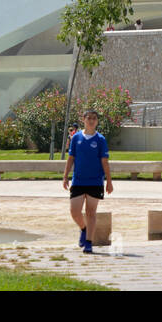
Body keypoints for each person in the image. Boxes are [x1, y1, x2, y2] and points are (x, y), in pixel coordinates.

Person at [62, 109, 112, 254]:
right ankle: (84, 229)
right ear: (83, 119)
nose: (91, 120)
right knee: (74, 211)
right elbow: (71, 158)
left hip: (95, 181)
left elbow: (105, 162)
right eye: (88, 118)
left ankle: (89, 242)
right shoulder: (76, 138)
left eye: (94, 118)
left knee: (91, 212)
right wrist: (65, 176)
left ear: (97, 121)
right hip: (78, 180)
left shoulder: (100, 139)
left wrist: (109, 181)